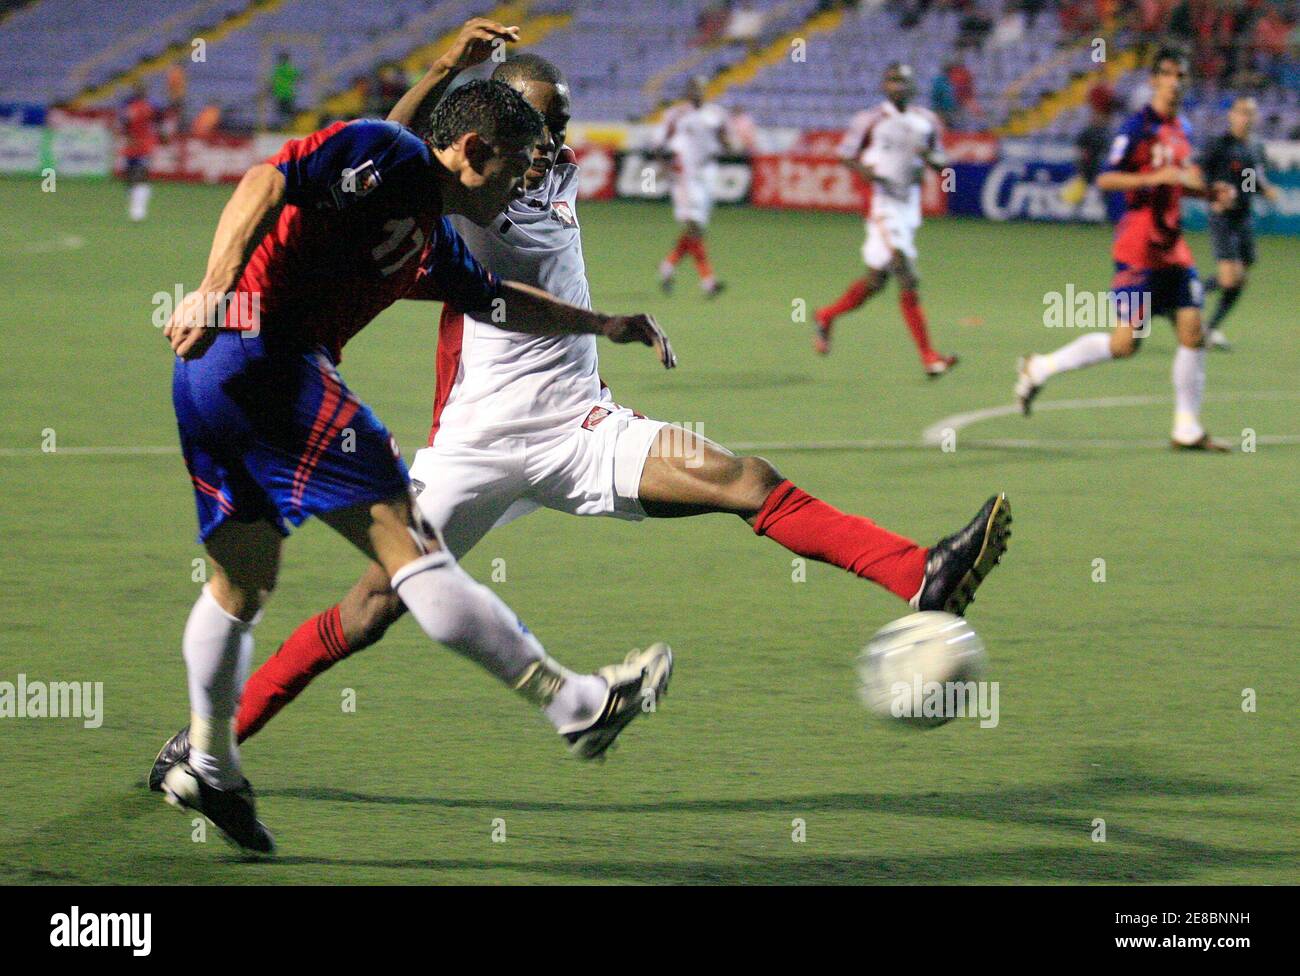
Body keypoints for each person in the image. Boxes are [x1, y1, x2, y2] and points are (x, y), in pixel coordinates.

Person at [152, 51, 1013, 765]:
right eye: (537, 123)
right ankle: (210, 743)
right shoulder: (457, 195)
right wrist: (450, 66)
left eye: (559, 122)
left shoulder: (536, 170)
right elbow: (395, 151)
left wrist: (609, 324)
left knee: (743, 478)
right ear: (484, 136)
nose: (553, 141)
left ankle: (918, 572)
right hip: (479, 440)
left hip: (578, 422)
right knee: (377, 602)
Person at [151, 66, 677, 853]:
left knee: (241, 582)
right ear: (472, 149)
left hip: (206, 380)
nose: (523, 184)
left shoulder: (429, 236)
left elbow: (498, 300)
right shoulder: (390, 155)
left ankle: (211, 762)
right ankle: (570, 701)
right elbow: (268, 177)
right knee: (414, 552)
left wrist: (601, 323)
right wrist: (214, 286)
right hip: (274, 363)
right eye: (516, 165)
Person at [1015, 46, 1236, 451]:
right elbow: (1107, 179)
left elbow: (1177, 180)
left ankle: (1186, 427)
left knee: (1192, 331)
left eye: (1181, 74)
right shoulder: (1136, 127)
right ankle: (1040, 366)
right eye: (1167, 73)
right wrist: (1155, 177)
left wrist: (1208, 193)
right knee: (1125, 345)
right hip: (1138, 248)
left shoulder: (1182, 128)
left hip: (1173, 248)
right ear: (1153, 80)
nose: (1174, 81)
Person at [813, 63, 958, 377]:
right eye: (892, 81)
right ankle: (930, 357)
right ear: (884, 85)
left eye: (903, 81)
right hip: (883, 205)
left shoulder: (927, 121)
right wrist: (864, 172)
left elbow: (943, 166)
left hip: (909, 208)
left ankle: (826, 315)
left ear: (913, 86)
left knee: (876, 281)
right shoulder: (870, 120)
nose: (898, 86)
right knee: (907, 274)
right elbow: (844, 154)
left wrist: (933, 161)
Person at [1199, 96, 1280, 350]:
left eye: (1251, 113)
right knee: (1230, 278)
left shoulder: (1255, 147)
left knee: (1240, 276)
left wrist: (1263, 189)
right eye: (1242, 112)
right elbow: (1199, 174)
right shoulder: (1219, 145)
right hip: (1223, 218)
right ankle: (1182, 297)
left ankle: (1209, 329)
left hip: (1243, 217)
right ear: (1231, 115)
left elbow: (1248, 181)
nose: (1246, 117)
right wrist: (1212, 195)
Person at [655, 76, 731, 298]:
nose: (698, 92)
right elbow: (660, 144)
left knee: (696, 228)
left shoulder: (716, 114)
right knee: (694, 225)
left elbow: (725, 141)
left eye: (701, 88)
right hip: (685, 176)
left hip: (708, 173)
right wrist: (664, 167)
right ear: (687, 91)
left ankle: (667, 266)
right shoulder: (677, 114)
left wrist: (726, 144)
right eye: (694, 88)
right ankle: (708, 281)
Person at [120, 83, 157, 221]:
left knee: (141, 173)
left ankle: (139, 209)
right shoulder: (129, 107)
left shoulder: (150, 107)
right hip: (132, 145)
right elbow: (125, 124)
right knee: (129, 176)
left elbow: (157, 123)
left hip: (145, 145)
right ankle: (134, 201)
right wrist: (129, 138)